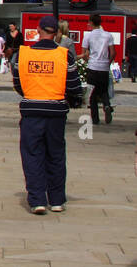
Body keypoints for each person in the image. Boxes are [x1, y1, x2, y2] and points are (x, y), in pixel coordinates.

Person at [10, 15, 83, 214]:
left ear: (38, 30)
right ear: (57, 32)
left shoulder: (22, 54)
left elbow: (18, 82)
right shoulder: (64, 55)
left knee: (32, 155)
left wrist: (31, 93)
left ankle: (37, 200)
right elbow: (75, 86)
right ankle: (57, 200)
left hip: (31, 110)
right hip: (56, 111)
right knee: (56, 155)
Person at [81, 13, 114, 125]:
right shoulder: (108, 35)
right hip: (103, 67)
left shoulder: (88, 36)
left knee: (92, 94)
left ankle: (95, 119)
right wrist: (107, 63)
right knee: (104, 90)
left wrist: (88, 61)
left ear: (91, 22)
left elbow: (84, 53)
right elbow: (113, 53)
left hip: (93, 66)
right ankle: (107, 105)